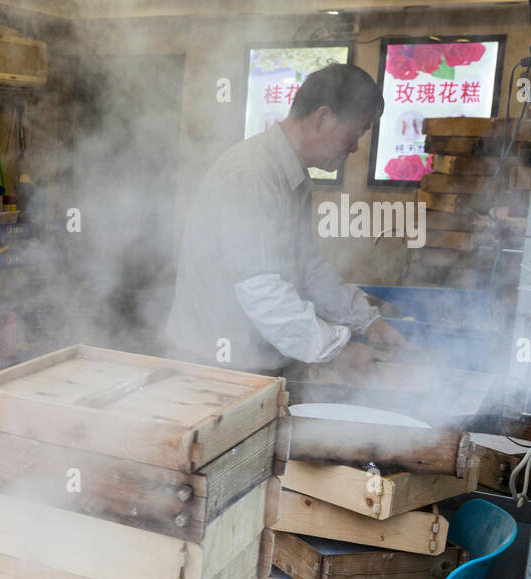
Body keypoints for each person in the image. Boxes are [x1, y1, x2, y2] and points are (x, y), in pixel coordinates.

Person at [166, 63, 409, 376]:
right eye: (355, 133)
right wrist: (336, 349)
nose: (354, 147)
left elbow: (307, 267)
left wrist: (368, 321)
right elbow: (260, 288)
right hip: (216, 364)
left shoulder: (291, 176)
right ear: (323, 117)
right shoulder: (252, 175)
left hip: (255, 359)